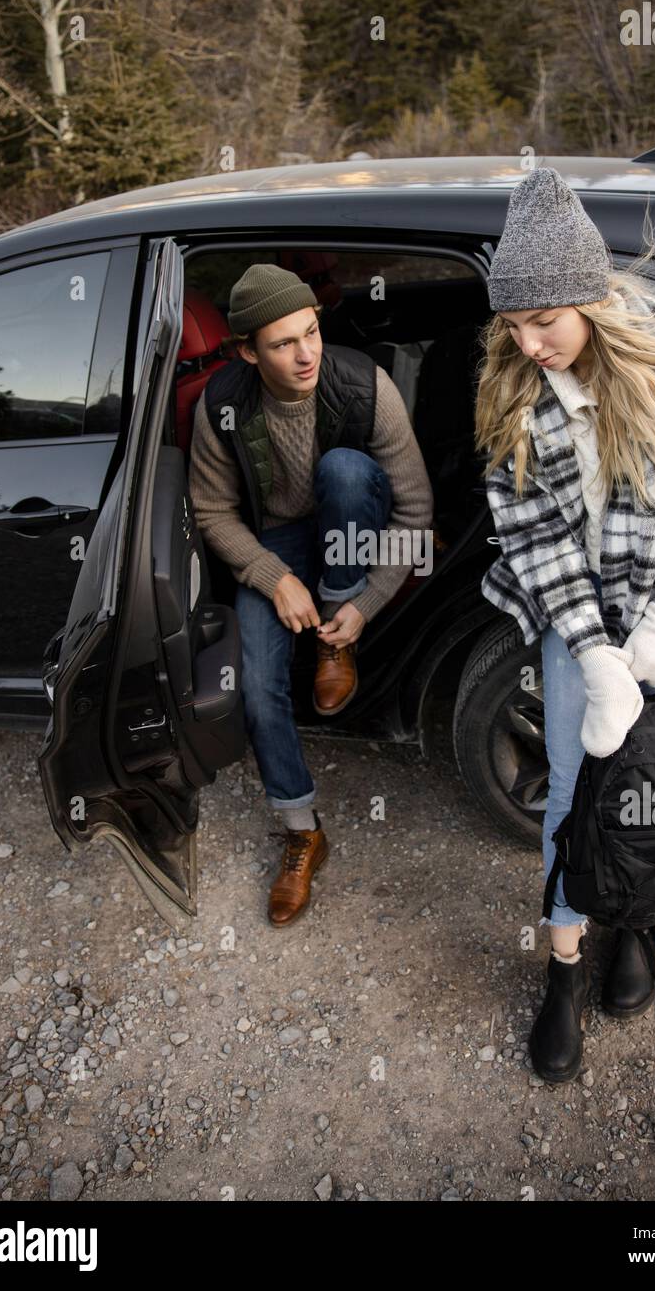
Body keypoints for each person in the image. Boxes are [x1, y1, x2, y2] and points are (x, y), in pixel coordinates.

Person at [475, 167, 655, 1084]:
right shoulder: (513, 394)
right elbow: (528, 533)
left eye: (547, 321)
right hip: (581, 633)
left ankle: (635, 927)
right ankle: (563, 969)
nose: (531, 342)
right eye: (514, 325)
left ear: (592, 298)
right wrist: (600, 656)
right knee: (573, 791)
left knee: (654, 782)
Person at [189, 264, 434, 927]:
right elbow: (212, 514)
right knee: (256, 685)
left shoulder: (363, 384)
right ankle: (302, 832)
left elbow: (415, 513)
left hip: (351, 525)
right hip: (278, 543)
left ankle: (335, 640)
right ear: (247, 351)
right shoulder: (223, 404)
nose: (304, 354)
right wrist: (275, 578)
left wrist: (361, 606)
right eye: (281, 343)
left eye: (310, 333)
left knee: (345, 470)